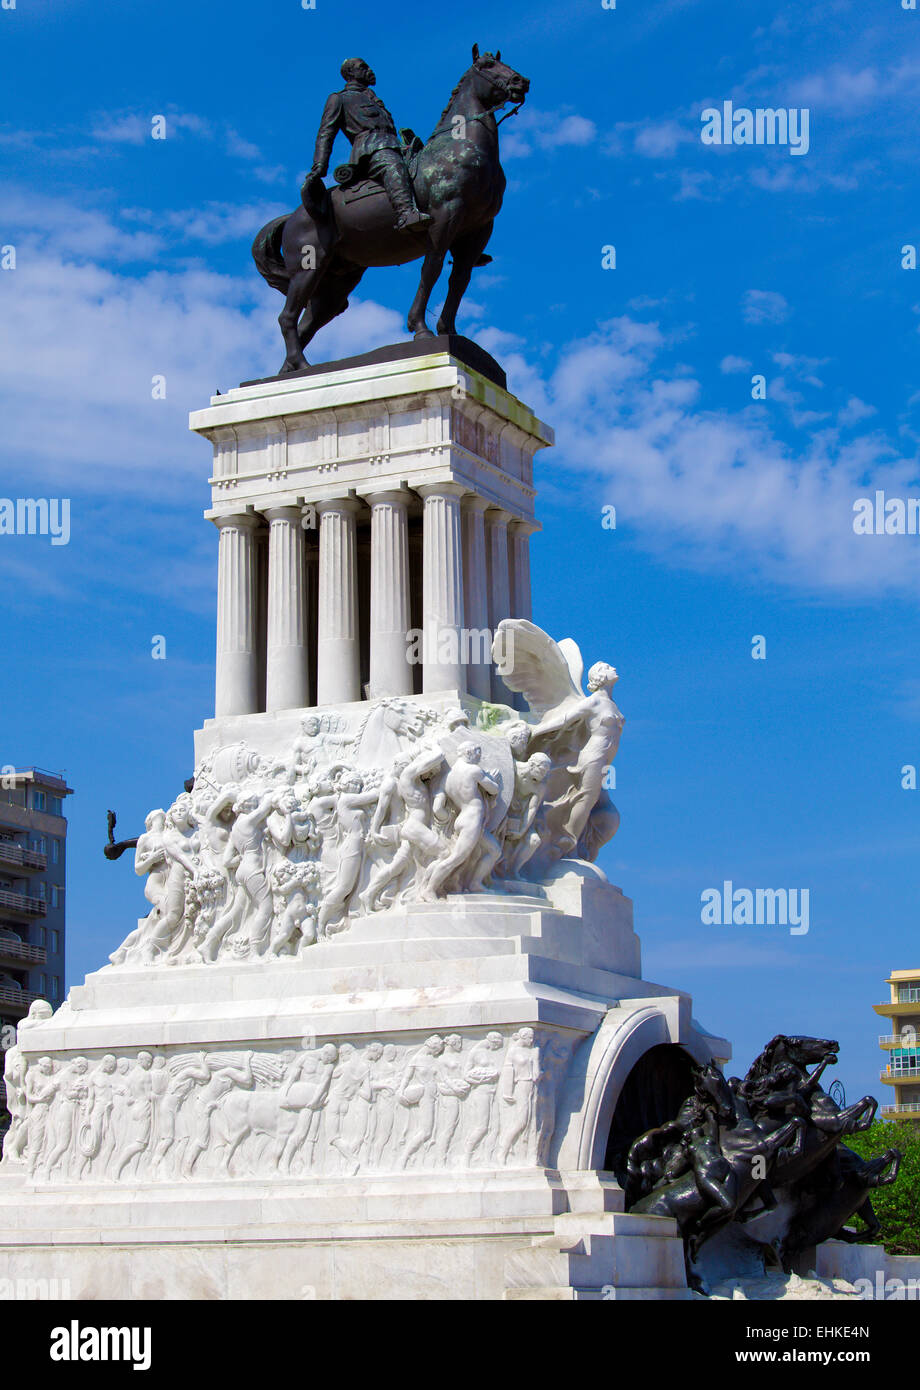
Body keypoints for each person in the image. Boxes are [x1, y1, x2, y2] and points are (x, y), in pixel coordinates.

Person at [306, 58, 432, 233]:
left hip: (394, 145)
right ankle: (406, 213)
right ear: (350, 73)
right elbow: (325, 133)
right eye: (363, 67)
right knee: (392, 167)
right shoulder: (339, 98)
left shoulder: (373, 98)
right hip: (370, 150)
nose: (369, 70)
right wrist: (319, 166)